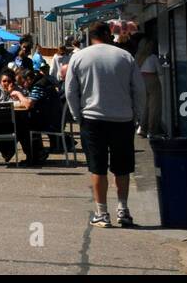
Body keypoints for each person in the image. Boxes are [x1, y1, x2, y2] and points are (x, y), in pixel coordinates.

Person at [65, 21, 146, 229]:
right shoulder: (125, 57)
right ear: (108, 34)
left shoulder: (79, 57)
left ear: (90, 37)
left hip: (92, 119)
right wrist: (136, 115)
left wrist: (77, 116)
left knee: (97, 167)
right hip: (122, 119)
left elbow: (70, 92)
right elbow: (139, 90)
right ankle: (123, 210)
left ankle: (102, 213)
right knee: (122, 168)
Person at [134, 37, 163, 137]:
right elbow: (160, 71)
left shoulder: (137, 56)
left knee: (144, 106)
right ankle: (152, 130)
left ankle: (142, 127)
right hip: (152, 81)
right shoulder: (153, 57)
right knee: (154, 106)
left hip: (140, 81)